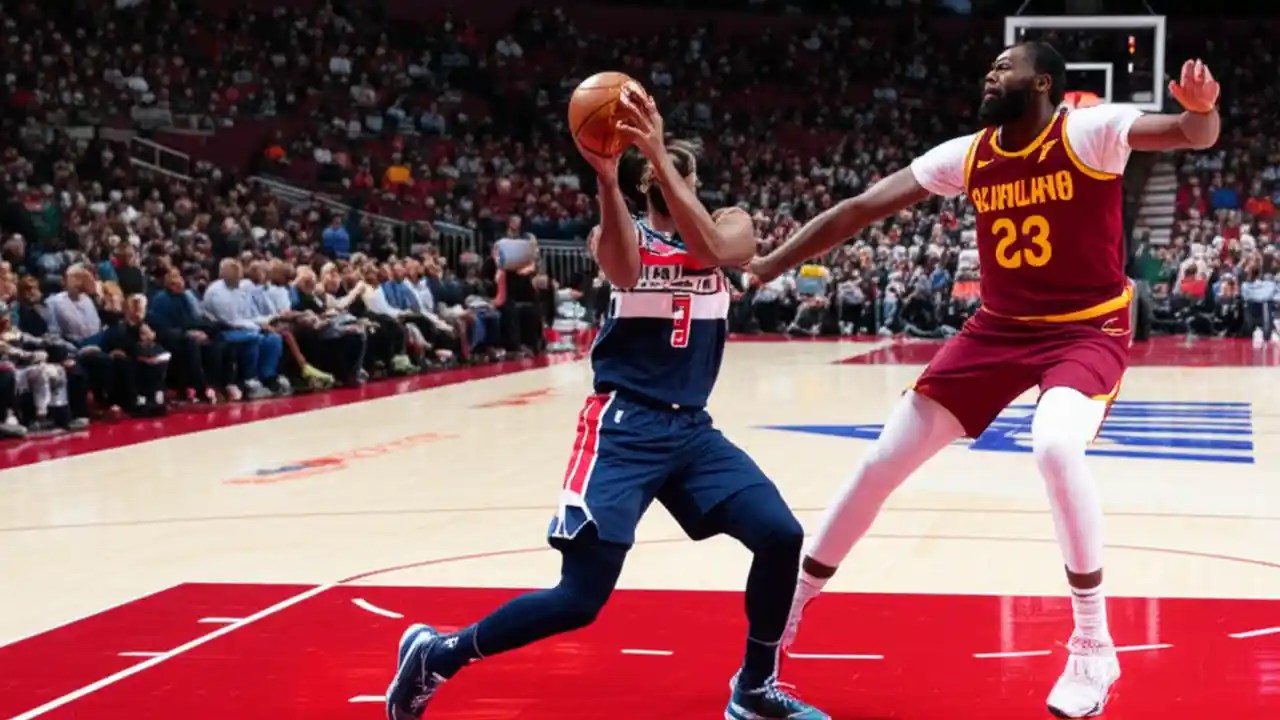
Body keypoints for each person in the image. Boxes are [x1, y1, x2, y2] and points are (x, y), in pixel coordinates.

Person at [747, 44, 1220, 719]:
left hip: (1085, 328)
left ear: (1044, 83)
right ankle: (791, 604)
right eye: (991, 67)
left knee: (1055, 446)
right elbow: (860, 209)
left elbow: (1185, 134)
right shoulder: (969, 154)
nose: (991, 75)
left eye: (1007, 67)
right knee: (884, 458)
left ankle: (1092, 645)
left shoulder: (1087, 130)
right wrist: (770, 263)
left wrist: (1202, 111)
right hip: (998, 329)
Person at [385, 84, 828, 720]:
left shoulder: (730, 223)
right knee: (579, 600)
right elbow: (623, 271)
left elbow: (716, 252)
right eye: (674, 173)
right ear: (655, 179)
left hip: (692, 432)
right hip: (623, 427)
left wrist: (655, 149)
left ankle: (754, 688)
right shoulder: (614, 230)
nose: (684, 180)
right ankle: (438, 655)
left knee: (780, 535)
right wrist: (607, 180)